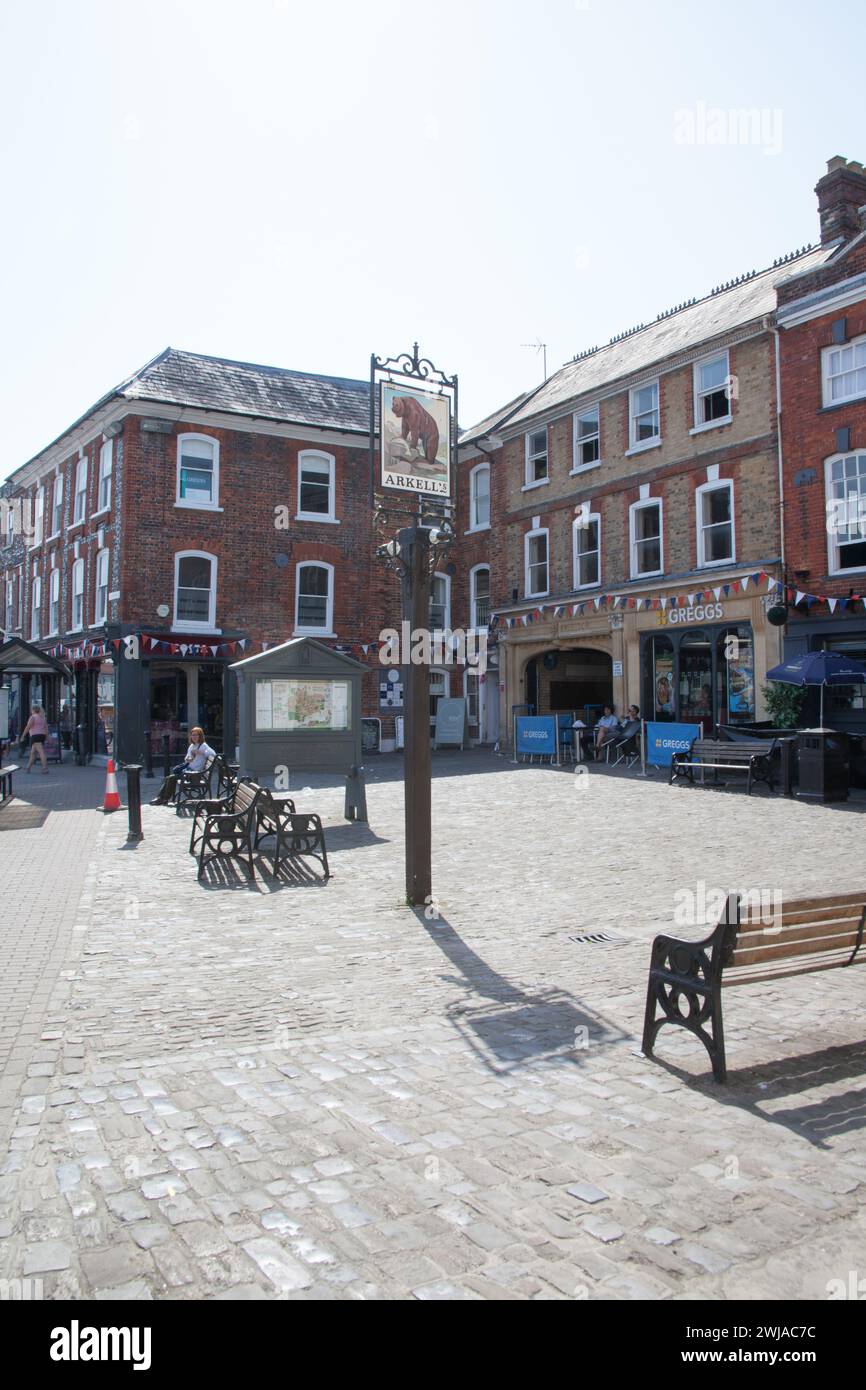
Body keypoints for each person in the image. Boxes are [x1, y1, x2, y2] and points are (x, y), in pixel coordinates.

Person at [150, 726, 215, 805]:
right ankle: (161, 798)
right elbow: (187, 757)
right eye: (192, 735)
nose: (194, 737)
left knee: (171, 778)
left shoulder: (203, 746)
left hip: (194, 775)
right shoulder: (192, 746)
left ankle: (163, 799)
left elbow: (213, 754)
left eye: (196, 735)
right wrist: (188, 758)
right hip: (188, 770)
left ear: (200, 736)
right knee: (168, 778)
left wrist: (201, 752)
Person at [22, 704, 50, 774]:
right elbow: (46, 728)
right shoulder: (42, 718)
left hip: (35, 736)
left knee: (41, 752)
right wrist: (47, 737)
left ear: (33, 710)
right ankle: (28, 767)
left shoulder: (33, 717)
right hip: (41, 735)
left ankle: (45, 768)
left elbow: (28, 727)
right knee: (33, 752)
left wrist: (23, 735)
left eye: (32, 710)